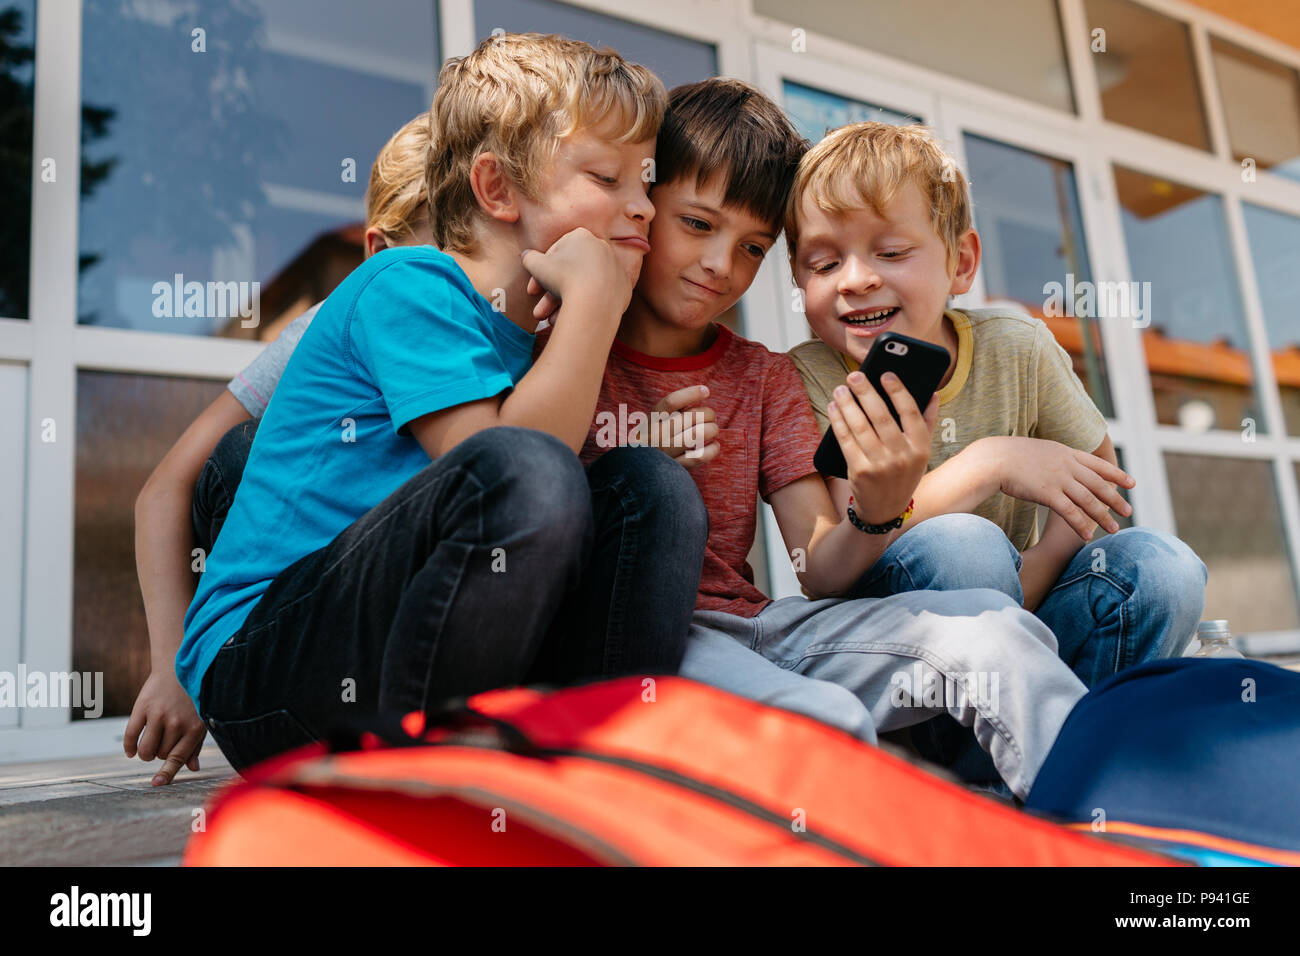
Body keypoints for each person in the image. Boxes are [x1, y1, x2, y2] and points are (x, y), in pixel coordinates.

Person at [164, 33, 710, 776]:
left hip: (403, 644)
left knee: (653, 488)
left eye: (645, 183)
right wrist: (597, 305)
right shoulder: (410, 282)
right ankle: (440, 784)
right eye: (607, 177)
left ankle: (601, 763)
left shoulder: (543, 333)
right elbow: (513, 467)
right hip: (263, 663)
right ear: (497, 189)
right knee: (524, 471)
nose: (642, 207)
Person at [538, 78, 1091, 800]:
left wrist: (878, 505)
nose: (718, 265)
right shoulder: (570, 339)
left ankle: (1109, 829)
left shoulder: (765, 378)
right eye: (698, 225)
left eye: (752, 247)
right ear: (645, 208)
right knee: (825, 721)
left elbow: (820, 567)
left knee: (998, 638)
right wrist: (628, 461)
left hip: (765, 625)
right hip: (653, 632)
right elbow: (519, 500)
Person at [784, 121, 1206, 777]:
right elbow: (848, 538)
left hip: (1024, 611)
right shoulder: (814, 375)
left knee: (1164, 567)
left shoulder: (1017, 343)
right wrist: (993, 463)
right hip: (906, 650)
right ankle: (984, 775)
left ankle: (1080, 756)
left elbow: (1103, 486)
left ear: (961, 261)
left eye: (891, 252)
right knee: (963, 544)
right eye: (823, 263)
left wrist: (1029, 578)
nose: (855, 280)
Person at [128, 111, 436, 785]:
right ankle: (253, 666)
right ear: (378, 254)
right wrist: (174, 666)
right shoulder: (326, 328)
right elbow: (164, 490)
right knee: (236, 453)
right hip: (302, 612)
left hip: (405, 592)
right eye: (439, 263)